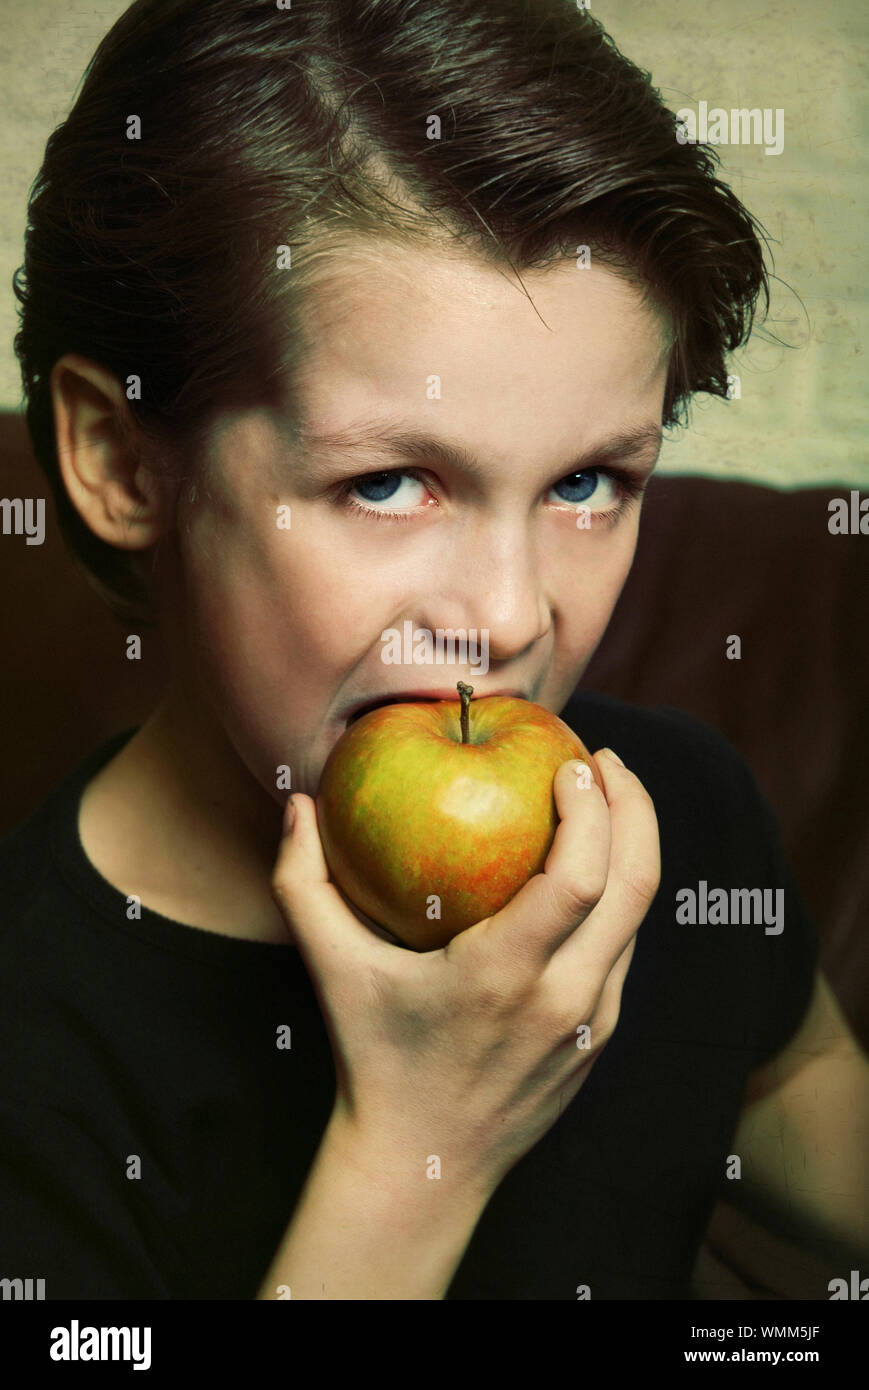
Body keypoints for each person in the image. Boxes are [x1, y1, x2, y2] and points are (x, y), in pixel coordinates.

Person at [3, 0, 866, 1301]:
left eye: (587, 481)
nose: (511, 617)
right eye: (390, 483)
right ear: (125, 463)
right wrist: (422, 1149)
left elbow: (787, 1072)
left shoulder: (675, 809)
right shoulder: (32, 1054)